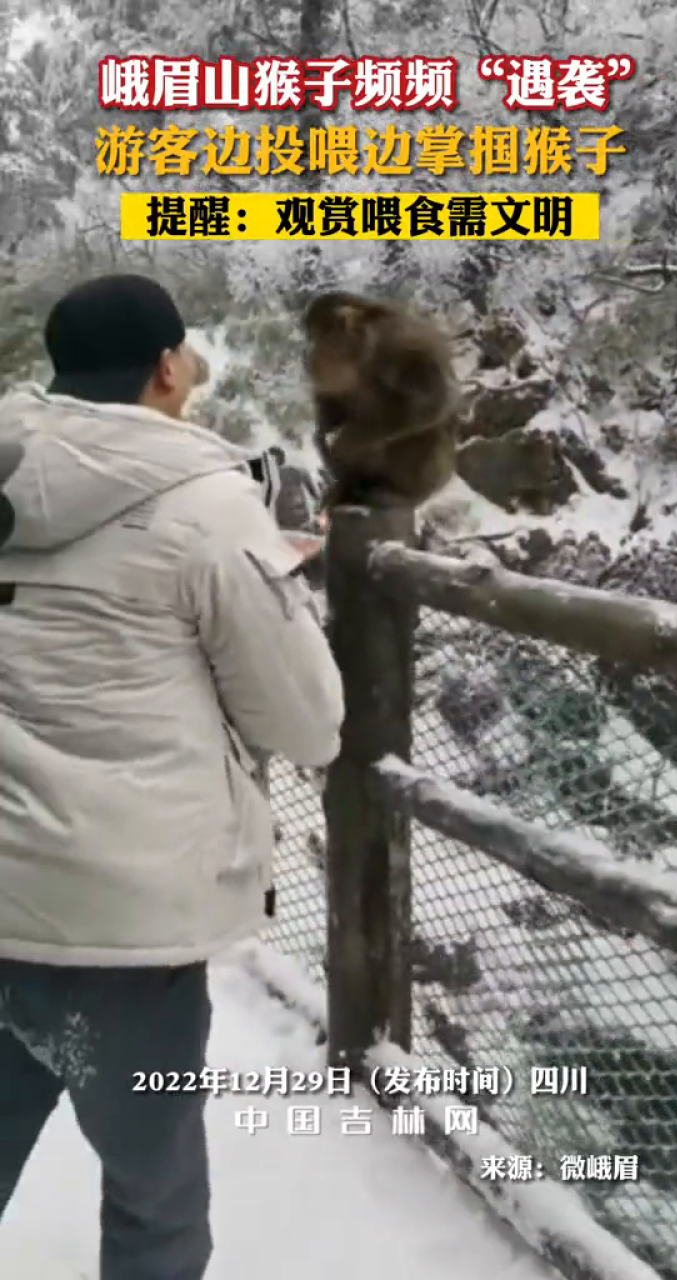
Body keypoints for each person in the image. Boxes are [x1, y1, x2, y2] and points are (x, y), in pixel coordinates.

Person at [0, 274, 344, 1280]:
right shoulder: (208, 507)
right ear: (164, 367)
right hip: (123, 926)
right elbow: (309, 720)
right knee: (156, 1196)